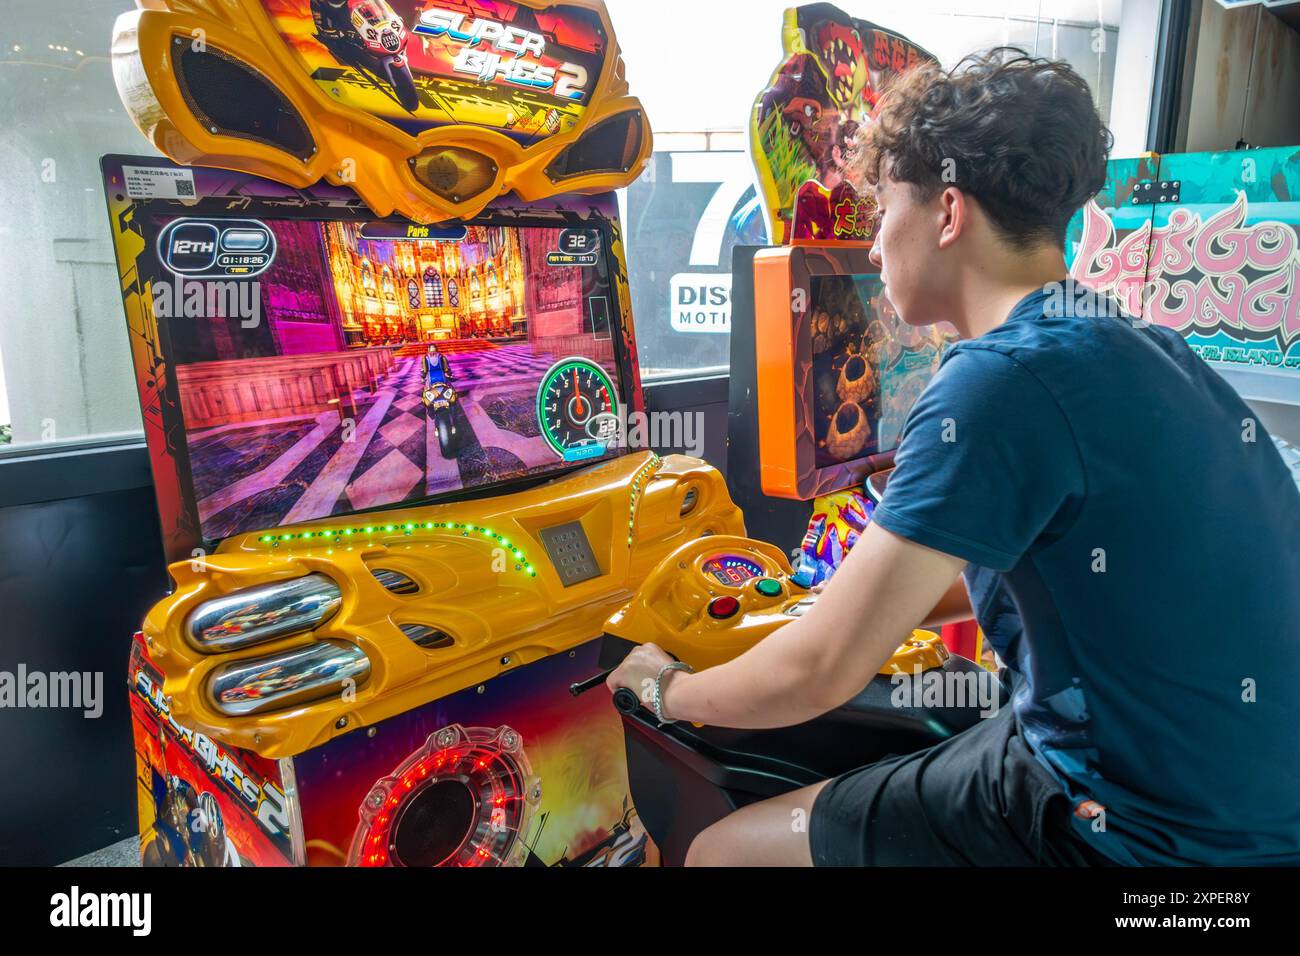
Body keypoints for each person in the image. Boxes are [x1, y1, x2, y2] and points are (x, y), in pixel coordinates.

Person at [608, 49, 1300, 866]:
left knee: (723, 850)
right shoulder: (1137, 344)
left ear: (945, 212)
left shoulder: (998, 378)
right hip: (1246, 798)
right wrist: (838, 597)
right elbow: (1072, 570)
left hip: (1135, 825)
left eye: (880, 210)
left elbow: (821, 670)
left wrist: (660, 688)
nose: (871, 249)